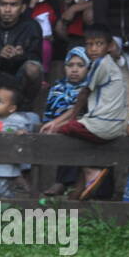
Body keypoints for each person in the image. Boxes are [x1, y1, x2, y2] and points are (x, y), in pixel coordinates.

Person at [42, 23, 128, 200]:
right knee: (76, 137)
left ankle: (90, 171)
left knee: (64, 132)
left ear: (109, 46)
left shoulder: (100, 64)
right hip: (111, 125)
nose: (94, 48)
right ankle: (77, 192)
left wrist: (68, 122)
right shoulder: (107, 64)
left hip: (104, 125)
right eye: (90, 44)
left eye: (99, 44)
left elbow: (83, 95)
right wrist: (60, 120)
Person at [41, 46, 91, 196]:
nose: (74, 70)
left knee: (72, 135)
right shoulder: (57, 87)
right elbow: (49, 112)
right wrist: (53, 124)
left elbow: (81, 111)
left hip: (82, 125)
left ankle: (62, 183)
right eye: (70, 65)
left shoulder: (90, 87)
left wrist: (58, 124)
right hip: (57, 127)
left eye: (80, 65)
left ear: (88, 68)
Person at [28, 0, 57, 70]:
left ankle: (44, 74)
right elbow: (23, 21)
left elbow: (53, 24)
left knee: (45, 46)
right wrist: (31, 6)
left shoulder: (50, 7)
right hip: (28, 38)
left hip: (45, 39)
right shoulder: (25, 6)